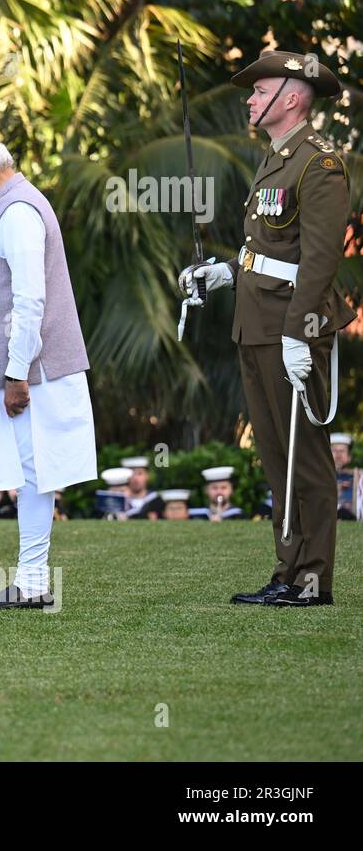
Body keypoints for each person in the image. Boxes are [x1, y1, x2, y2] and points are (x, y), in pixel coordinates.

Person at [179, 50, 350, 607]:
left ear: (292, 98)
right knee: (277, 455)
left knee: (306, 455)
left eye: (260, 91)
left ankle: (311, 581)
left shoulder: (317, 163)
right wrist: (224, 273)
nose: (250, 99)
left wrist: (301, 333)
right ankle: (287, 570)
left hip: (289, 329)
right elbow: (269, 250)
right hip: (256, 324)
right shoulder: (276, 159)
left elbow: (320, 261)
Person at [0, 133, 97, 608]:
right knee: (33, 472)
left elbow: (30, 299)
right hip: (27, 365)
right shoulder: (9, 207)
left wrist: (16, 374)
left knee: (34, 473)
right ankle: (31, 580)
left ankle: (32, 583)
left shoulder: (15, 212)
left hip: (32, 369)